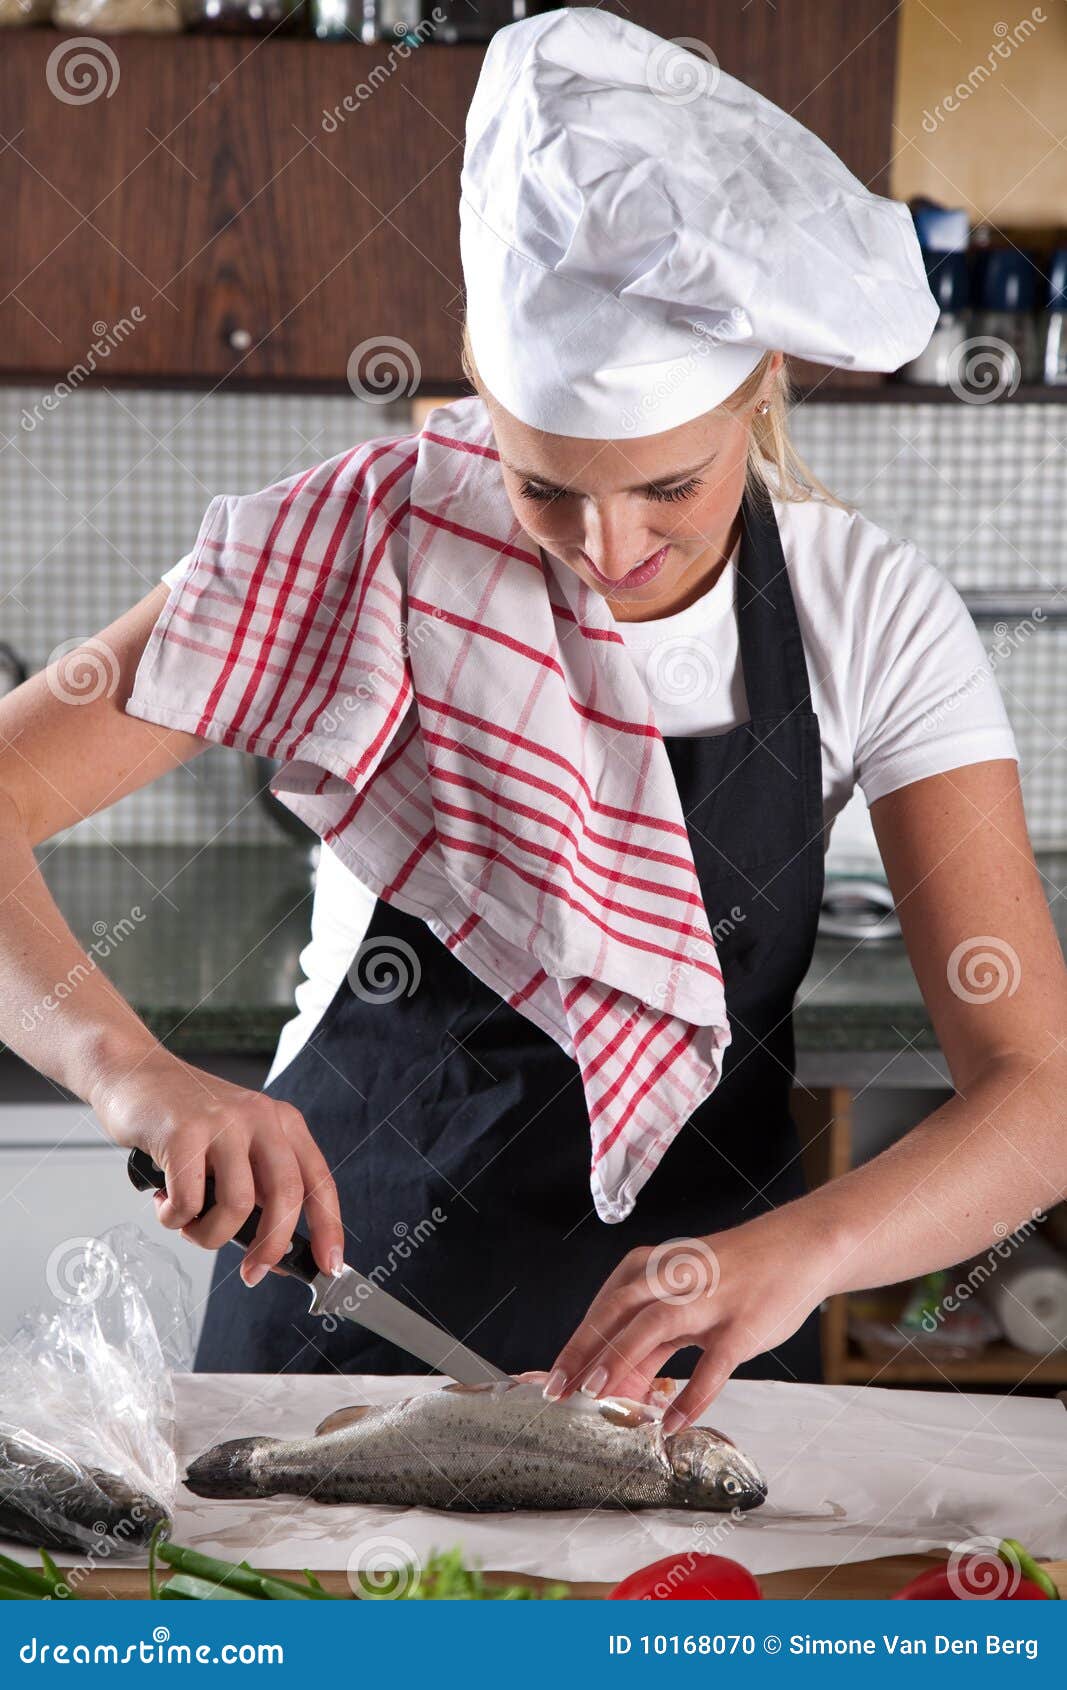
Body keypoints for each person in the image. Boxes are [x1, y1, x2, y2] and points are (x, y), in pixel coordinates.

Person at [1, 10, 1065, 1437]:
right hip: (334, 1312)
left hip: (698, 1342)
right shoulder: (358, 540)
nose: (605, 547)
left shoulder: (865, 610)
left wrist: (808, 1252)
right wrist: (130, 1071)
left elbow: (1038, 1091)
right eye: (542, 486)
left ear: (758, 393)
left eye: (669, 491)